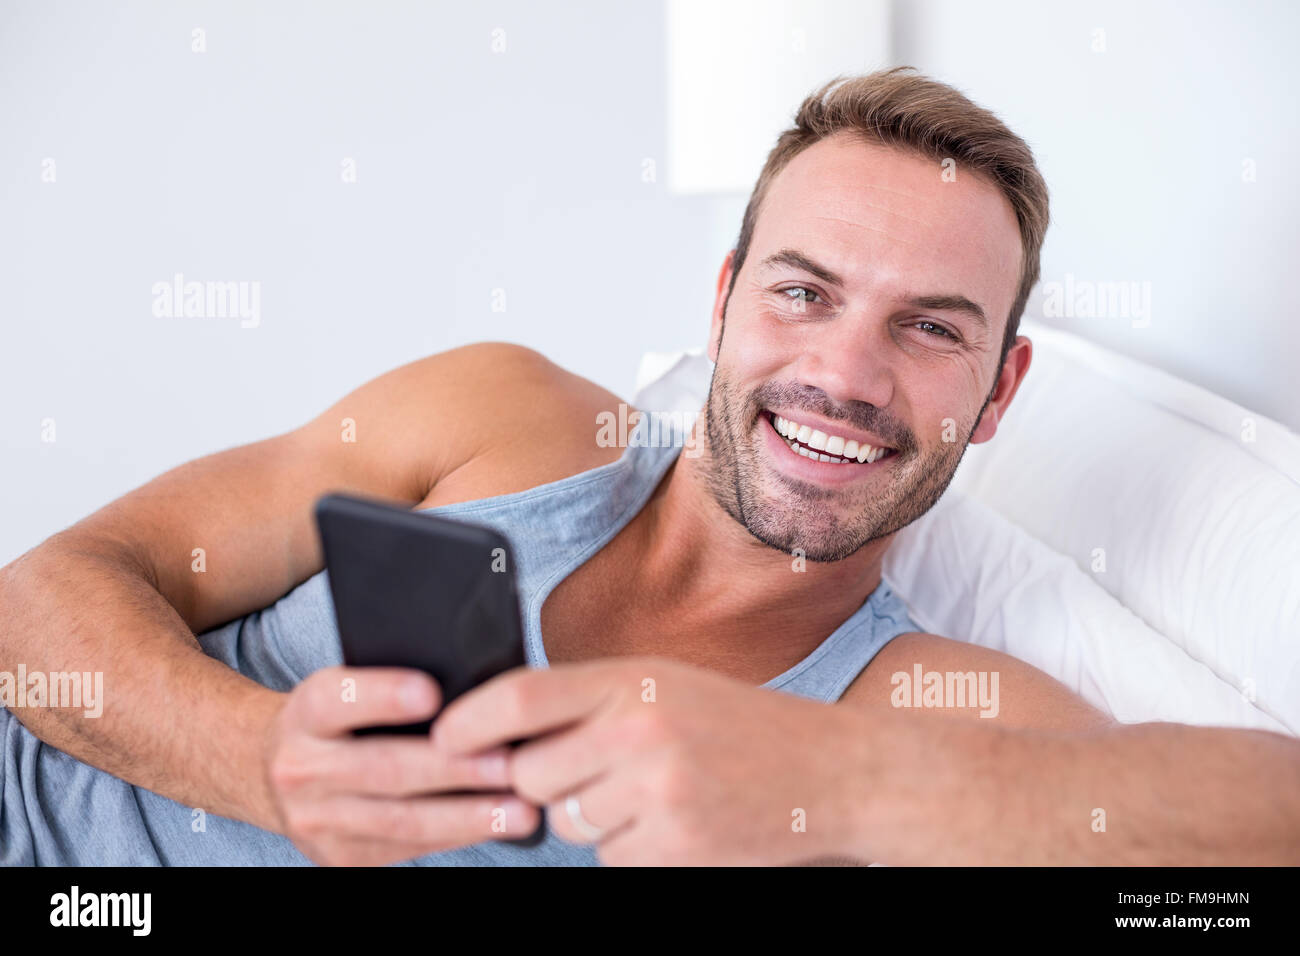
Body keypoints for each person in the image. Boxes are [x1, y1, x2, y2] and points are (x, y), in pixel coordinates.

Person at [2, 68, 1295, 866]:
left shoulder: (936, 704)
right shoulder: (501, 414)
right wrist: (259, 757)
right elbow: (40, 601)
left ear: (1000, 393)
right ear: (724, 303)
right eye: (804, 292)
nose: (844, 376)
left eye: (931, 327)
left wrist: (854, 780)